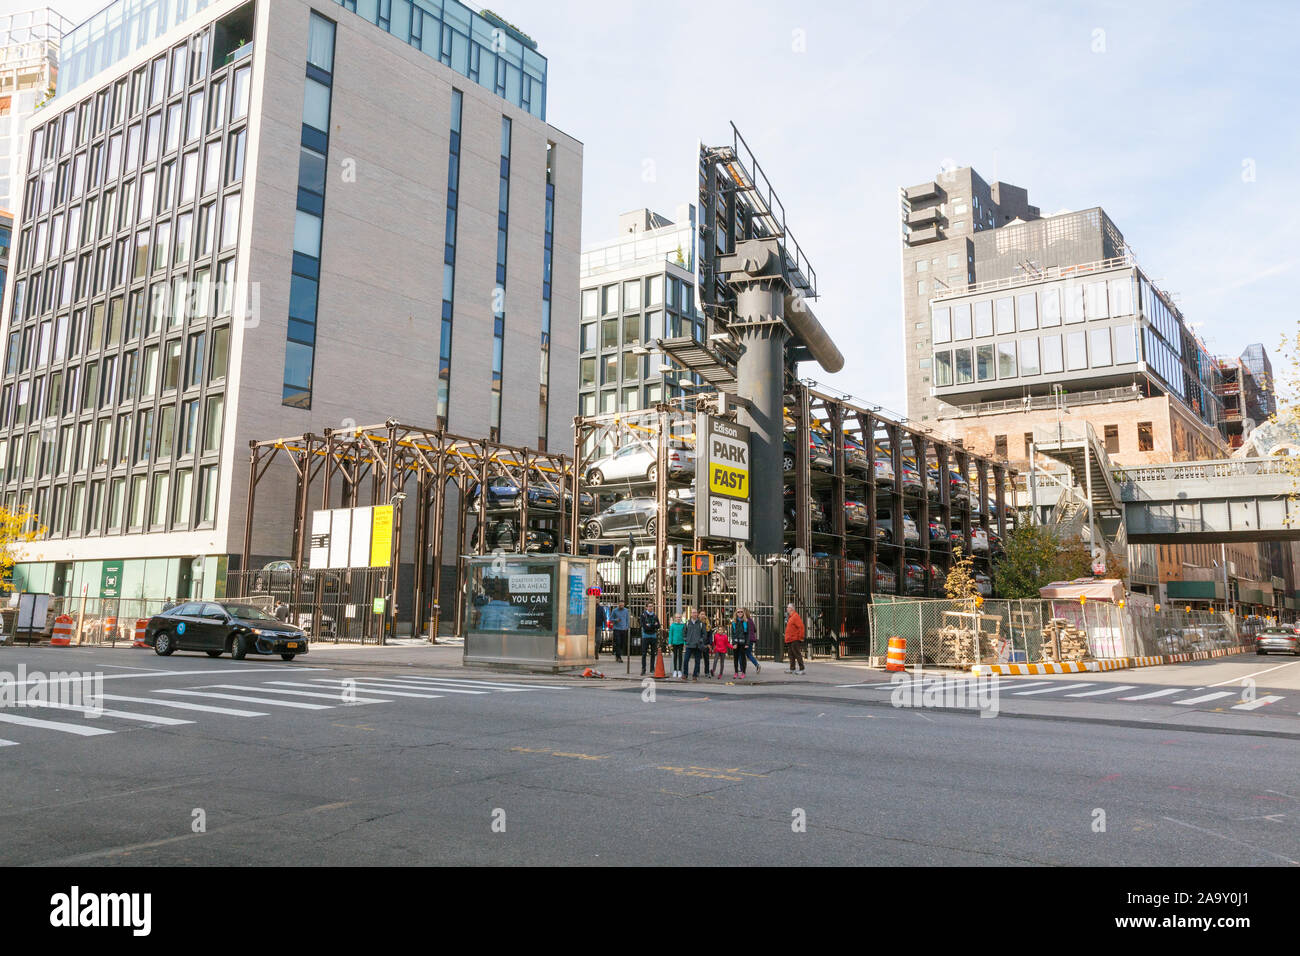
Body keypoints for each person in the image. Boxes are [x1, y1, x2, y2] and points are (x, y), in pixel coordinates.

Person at [681, 608, 707, 681]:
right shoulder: (687, 623)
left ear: (697, 614)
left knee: (697, 661)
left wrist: (700, 640)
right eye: (693, 613)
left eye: (695, 612)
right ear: (691, 614)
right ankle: (685, 674)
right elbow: (684, 633)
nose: (694, 614)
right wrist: (686, 640)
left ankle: (695, 675)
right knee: (686, 660)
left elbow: (704, 634)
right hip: (689, 645)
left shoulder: (701, 623)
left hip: (697, 645)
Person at [784, 602, 806, 674]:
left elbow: (801, 627)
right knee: (791, 655)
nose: (787, 609)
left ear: (791, 609)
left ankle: (802, 669)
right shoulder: (790, 617)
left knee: (797, 654)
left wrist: (800, 637)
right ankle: (792, 668)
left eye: (788, 607)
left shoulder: (795, 616)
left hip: (795, 639)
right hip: (790, 639)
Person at [640, 604, 661, 676]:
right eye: (649, 606)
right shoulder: (643, 615)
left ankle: (652, 668)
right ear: (646, 607)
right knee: (644, 653)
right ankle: (643, 669)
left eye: (652, 606)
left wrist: (650, 625)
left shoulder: (655, 616)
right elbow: (644, 626)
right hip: (645, 636)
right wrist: (653, 626)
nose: (651, 607)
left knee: (653, 653)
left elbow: (658, 626)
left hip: (653, 636)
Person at [729, 608, 750, 680]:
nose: (740, 613)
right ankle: (736, 672)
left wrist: (747, 643)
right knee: (735, 658)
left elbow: (748, 634)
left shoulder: (746, 622)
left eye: (741, 612)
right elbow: (732, 633)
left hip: (743, 643)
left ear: (743, 613)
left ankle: (743, 672)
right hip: (736, 643)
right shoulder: (734, 622)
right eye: (738, 612)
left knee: (743, 658)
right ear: (736, 613)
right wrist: (734, 643)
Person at [741, 608, 762, 674]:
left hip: (746, 640)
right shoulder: (750, 620)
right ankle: (757, 665)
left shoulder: (744, 621)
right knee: (748, 654)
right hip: (752, 639)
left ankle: (742, 669)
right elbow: (755, 629)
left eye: (741, 612)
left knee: (740, 654)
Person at [668, 612, 686, 678]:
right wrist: (670, 643)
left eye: (679, 617)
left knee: (680, 657)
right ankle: (675, 670)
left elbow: (684, 635)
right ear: (675, 618)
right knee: (675, 656)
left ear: (681, 618)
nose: (678, 618)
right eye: (677, 617)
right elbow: (670, 635)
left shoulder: (683, 625)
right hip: (674, 643)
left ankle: (680, 670)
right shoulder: (672, 625)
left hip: (681, 643)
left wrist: (684, 643)